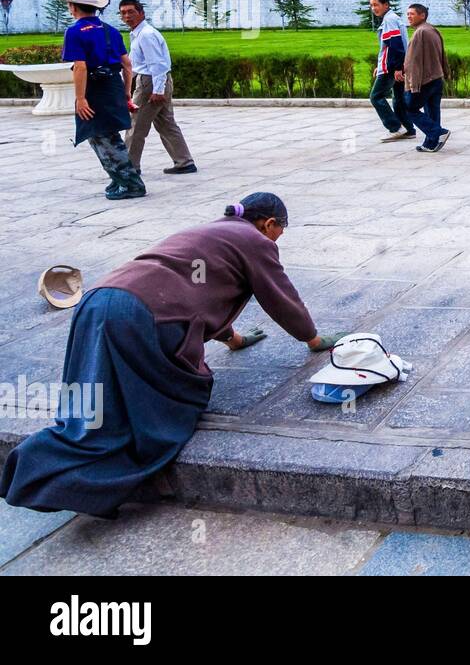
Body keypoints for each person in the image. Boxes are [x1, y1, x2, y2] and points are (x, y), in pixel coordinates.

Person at [0, 193, 345, 518]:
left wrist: (234, 340)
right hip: (140, 315)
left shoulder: (211, 232)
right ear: (270, 223)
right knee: (165, 409)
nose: (278, 239)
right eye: (281, 231)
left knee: (91, 410)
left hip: (99, 302)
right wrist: (313, 339)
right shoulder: (255, 241)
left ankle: (30, 468)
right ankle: (76, 483)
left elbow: (196, 292)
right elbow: (281, 298)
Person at [58, 0, 146, 200]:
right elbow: (127, 65)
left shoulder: (75, 31)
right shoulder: (110, 30)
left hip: (94, 89)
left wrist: (80, 98)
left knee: (102, 136)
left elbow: (80, 66)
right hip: (113, 85)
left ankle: (131, 184)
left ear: (73, 7)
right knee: (102, 135)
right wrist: (126, 92)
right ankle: (119, 179)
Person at [119, 0, 197, 175]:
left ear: (141, 13)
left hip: (151, 83)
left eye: (131, 11)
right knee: (166, 123)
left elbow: (158, 64)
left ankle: (130, 168)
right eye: (123, 13)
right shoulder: (139, 33)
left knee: (136, 126)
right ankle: (184, 161)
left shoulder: (146, 35)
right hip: (154, 81)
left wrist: (158, 89)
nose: (127, 16)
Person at [395, 3, 451, 154]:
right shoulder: (432, 30)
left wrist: (412, 84)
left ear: (422, 15)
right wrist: (445, 72)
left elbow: (413, 61)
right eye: (407, 14)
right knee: (432, 111)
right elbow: (442, 54)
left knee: (409, 109)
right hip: (436, 77)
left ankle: (438, 132)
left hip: (424, 80)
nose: (409, 17)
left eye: (412, 14)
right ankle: (431, 143)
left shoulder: (420, 33)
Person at [367, 0, 415, 141]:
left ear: (386, 5)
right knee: (399, 99)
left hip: (391, 67)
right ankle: (408, 129)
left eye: (376, 5)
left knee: (376, 96)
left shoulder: (389, 20)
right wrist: (380, 64)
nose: (374, 8)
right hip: (394, 64)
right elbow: (388, 47)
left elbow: (395, 46)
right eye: (371, 5)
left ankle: (394, 127)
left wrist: (397, 68)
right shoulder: (393, 18)